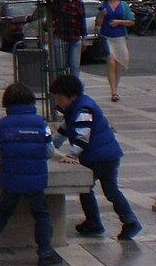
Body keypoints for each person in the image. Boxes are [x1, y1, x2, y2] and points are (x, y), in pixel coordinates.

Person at [0, 82, 62, 265]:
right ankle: (45, 251)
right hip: (35, 178)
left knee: (3, 211)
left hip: (11, 177)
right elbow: (50, 151)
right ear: (31, 101)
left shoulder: (3, 125)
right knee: (40, 213)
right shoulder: (41, 123)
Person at [49, 73, 141, 240]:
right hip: (108, 155)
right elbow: (64, 130)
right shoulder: (76, 107)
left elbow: (83, 135)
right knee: (110, 191)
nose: (58, 103)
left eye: (60, 99)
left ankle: (96, 223)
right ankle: (128, 221)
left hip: (100, 157)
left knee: (87, 187)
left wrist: (72, 154)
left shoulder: (84, 109)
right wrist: (49, 145)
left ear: (73, 96)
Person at [96, 0, 135, 101]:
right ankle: (113, 92)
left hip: (120, 37)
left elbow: (131, 21)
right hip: (107, 37)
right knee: (111, 61)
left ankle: (115, 89)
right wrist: (102, 16)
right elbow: (98, 23)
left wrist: (119, 22)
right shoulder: (103, 6)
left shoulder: (123, 5)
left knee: (118, 63)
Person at [50, 0, 86, 79]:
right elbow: (52, 18)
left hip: (75, 37)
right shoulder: (59, 1)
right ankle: (62, 89)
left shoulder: (78, 2)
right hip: (61, 37)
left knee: (74, 66)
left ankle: (75, 89)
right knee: (60, 67)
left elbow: (82, 21)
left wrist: (84, 37)